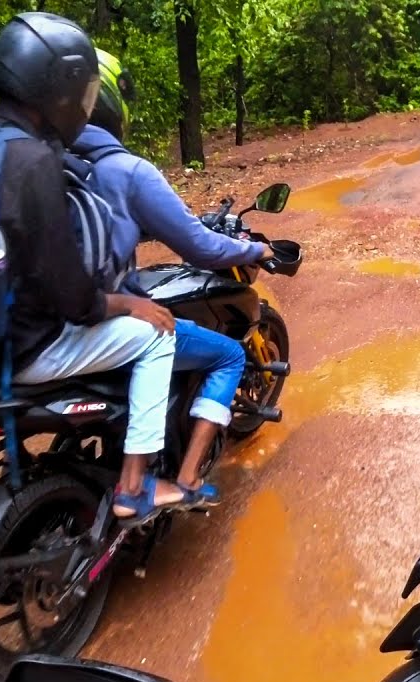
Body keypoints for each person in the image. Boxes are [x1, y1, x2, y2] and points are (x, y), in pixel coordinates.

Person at [0, 13, 184, 522]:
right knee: (158, 334)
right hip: (25, 346)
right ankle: (134, 486)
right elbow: (74, 299)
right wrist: (126, 303)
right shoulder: (34, 161)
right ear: (62, 90)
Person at [67, 49, 272, 502]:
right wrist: (254, 247)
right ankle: (188, 479)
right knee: (226, 356)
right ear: (111, 103)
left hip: (42, 327)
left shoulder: (48, 167)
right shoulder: (127, 170)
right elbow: (199, 245)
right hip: (98, 320)